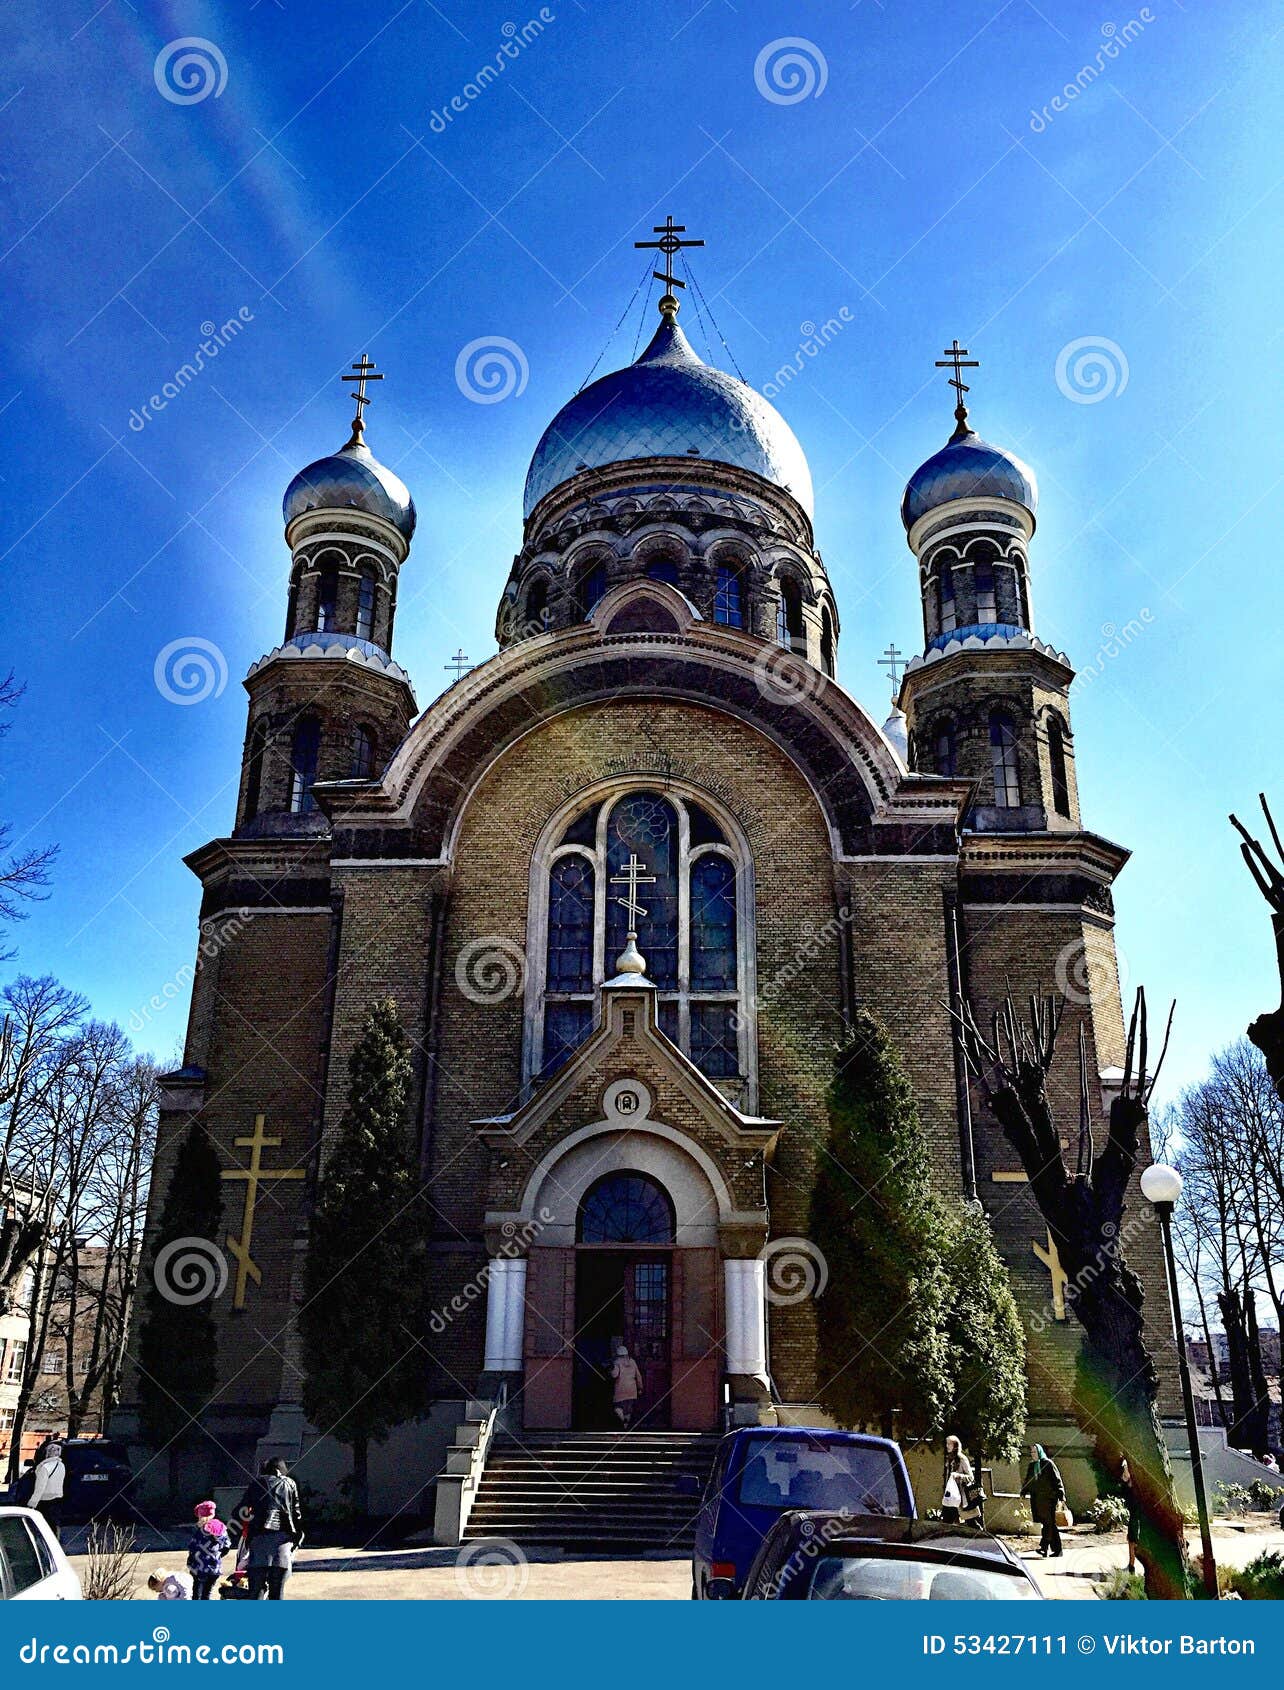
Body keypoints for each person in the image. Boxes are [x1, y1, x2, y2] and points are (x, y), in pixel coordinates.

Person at [237, 1457, 303, 1600]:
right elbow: (296, 1513)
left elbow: (240, 1511)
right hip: (283, 1542)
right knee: (277, 1591)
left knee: (256, 1591)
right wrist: (297, 1537)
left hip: (259, 1540)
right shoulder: (290, 1483)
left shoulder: (257, 1484)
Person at [1021, 1442, 1067, 1558]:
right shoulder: (1032, 1466)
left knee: (1048, 1523)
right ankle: (1057, 1550)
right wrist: (1024, 1491)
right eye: (1031, 1452)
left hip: (1049, 1498)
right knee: (1049, 1524)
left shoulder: (1048, 1463)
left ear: (1040, 1452)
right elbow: (1029, 1481)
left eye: (1035, 1452)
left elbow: (1057, 1480)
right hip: (1037, 1499)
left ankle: (1044, 1546)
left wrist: (1061, 1495)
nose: (1033, 1454)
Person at [186, 1499, 231, 1600]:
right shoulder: (221, 1527)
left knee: (196, 1594)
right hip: (214, 1567)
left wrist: (191, 1562)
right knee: (207, 1594)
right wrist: (217, 1556)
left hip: (199, 1567)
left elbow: (193, 1547)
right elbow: (227, 1545)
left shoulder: (199, 1530)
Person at [28, 1441, 67, 1543]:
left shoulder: (44, 1468)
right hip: (58, 1498)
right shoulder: (61, 1465)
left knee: (45, 1524)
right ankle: (56, 1542)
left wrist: (32, 1503)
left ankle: (46, 1543)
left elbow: (40, 1488)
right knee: (55, 1523)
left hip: (45, 1500)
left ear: (47, 1453)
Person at [940, 1434, 976, 1525]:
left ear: (955, 1445)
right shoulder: (949, 1459)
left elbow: (971, 1477)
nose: (947, 1446)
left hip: (960, 1497)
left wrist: (958, 1475)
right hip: (950, 1496)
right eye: (947, 1444)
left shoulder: (962, 1459)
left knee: (970, 1522)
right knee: (947, 1522)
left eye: (949, 1444)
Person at [610, 1343, 643, 1429]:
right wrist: (640, 1387)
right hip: (632, 1389)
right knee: (628, 1410)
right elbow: (638, 1376)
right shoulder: (632, 1362)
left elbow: (614, 1375)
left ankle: (623, 1420)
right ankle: (625, 1427)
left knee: (617, 1407)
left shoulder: (617, 1362)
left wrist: (611, 1370)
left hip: (620, 1388)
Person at [1119, 1457, 1141, 1575]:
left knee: (1133, 1537)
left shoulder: (1129, 1464)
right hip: (1136, 1507)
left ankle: (1132, 1565)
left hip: (1136, 1507)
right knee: (1132, 1536)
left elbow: (1125, 1477)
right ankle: (1131, 1564)